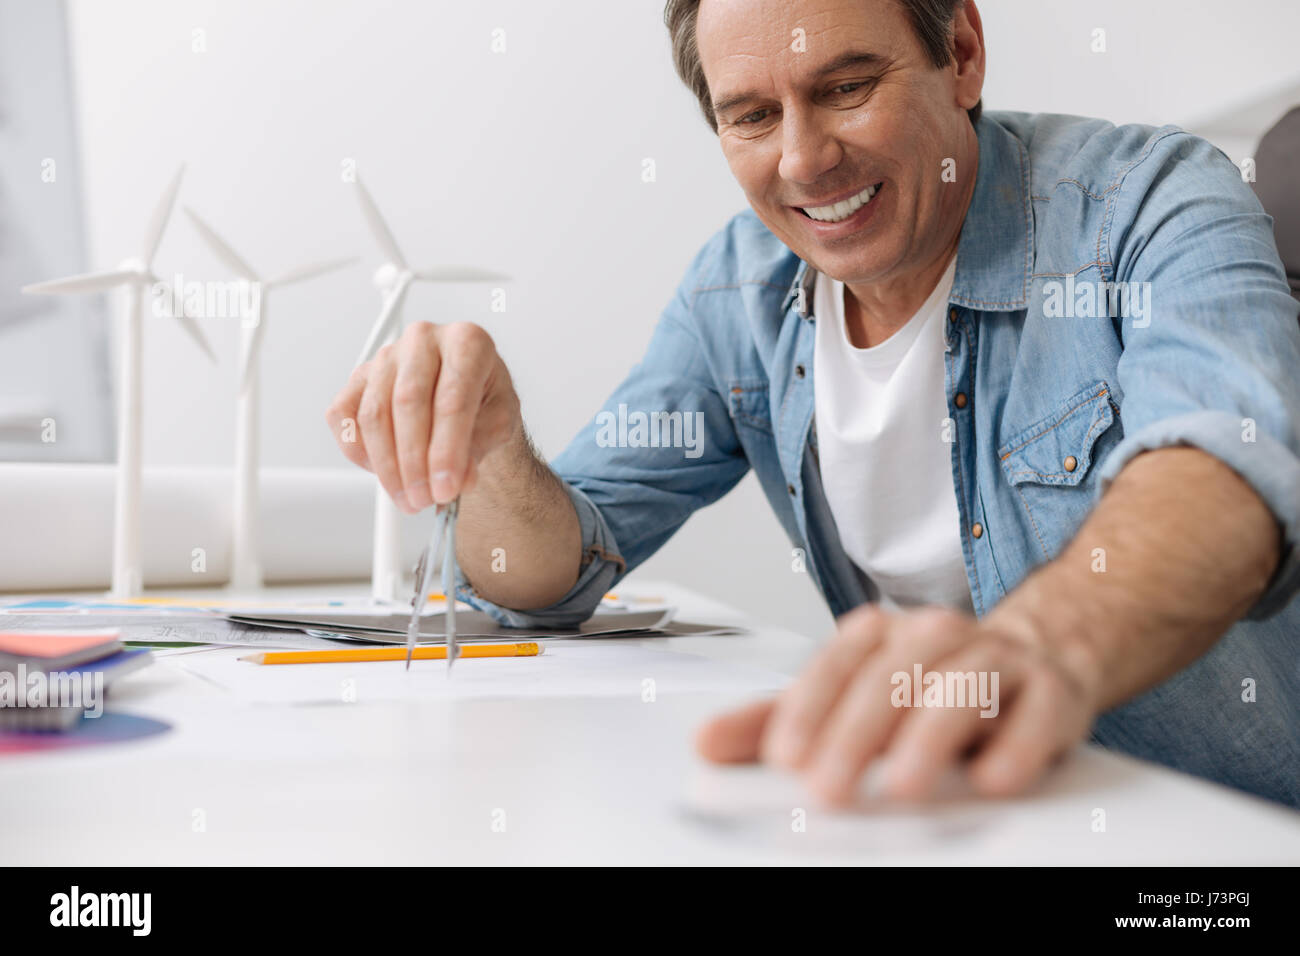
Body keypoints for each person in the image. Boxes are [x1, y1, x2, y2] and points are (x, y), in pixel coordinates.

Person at [326, 0, 1300, 808]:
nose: (801, 159)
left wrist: (1031, 645)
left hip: (1217, 824)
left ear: (960, 53)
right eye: (750, 115)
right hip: (947, 814)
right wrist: (496, 454)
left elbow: (1223, 472)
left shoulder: (1150, 202)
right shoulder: (737, 288)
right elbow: (549, 569)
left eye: (843, 89)